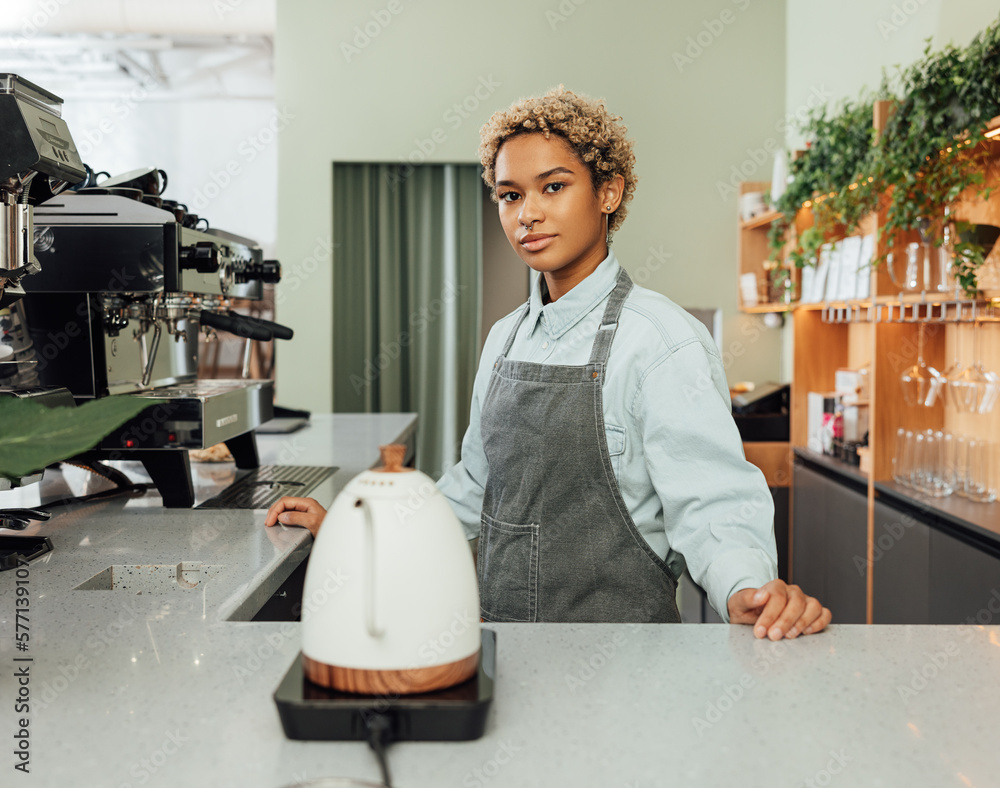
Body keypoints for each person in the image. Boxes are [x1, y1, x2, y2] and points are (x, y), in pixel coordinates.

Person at [266, 86, 831, 640]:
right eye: (510, 196)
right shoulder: (504, 339)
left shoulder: (662, 342)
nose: (528, 214)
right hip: (500, 651)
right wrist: (357, 528)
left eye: (553, 187)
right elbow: (474, 486)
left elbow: (713, 503)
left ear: (608, 192)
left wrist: (748, 589)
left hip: (627, 666)